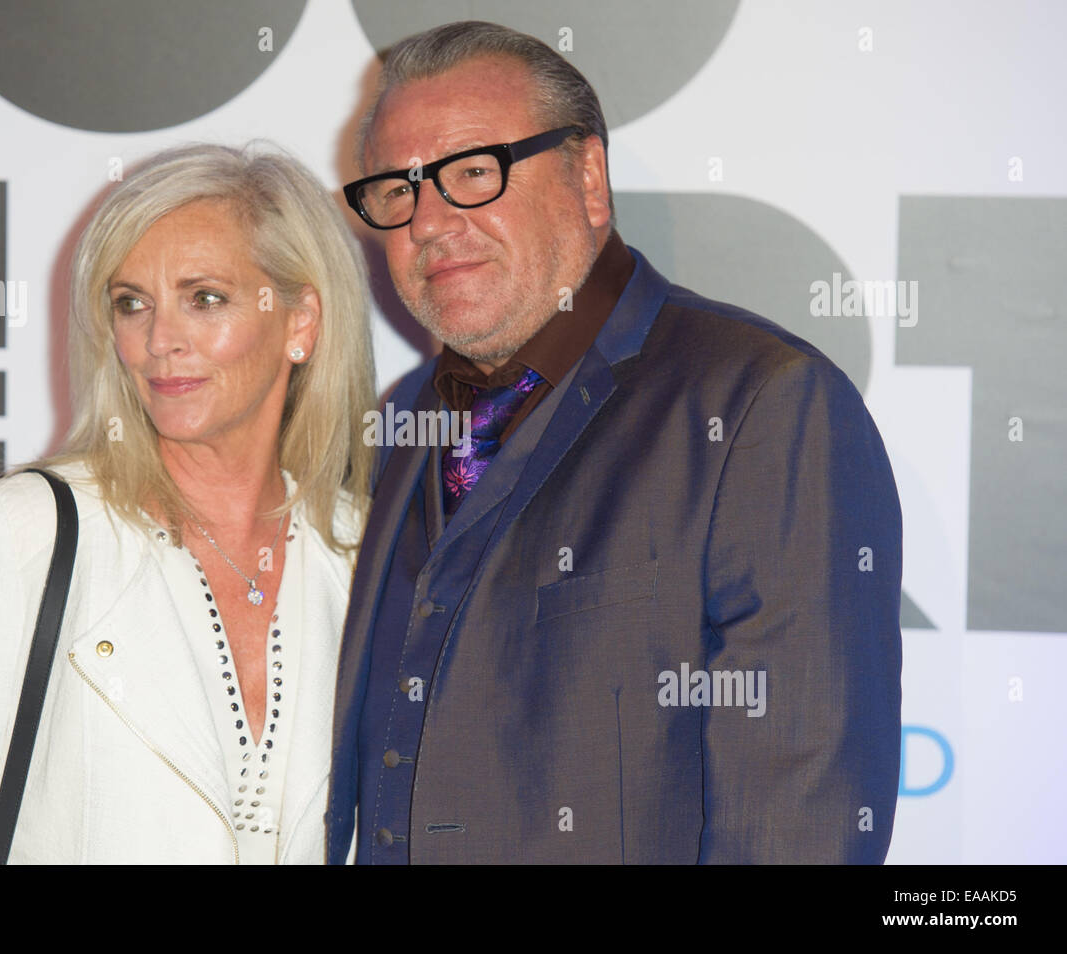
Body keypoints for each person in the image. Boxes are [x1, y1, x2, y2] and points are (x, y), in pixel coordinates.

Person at [328, 21, 903, 864]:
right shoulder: (404, 420)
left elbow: (798, 827)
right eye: (398, 190)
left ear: (589, 177)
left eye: (474, 173)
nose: (430, 222)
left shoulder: (763, 405)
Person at [0, 142, 375, 864]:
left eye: (204, 299)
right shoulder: (21, 532)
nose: (159, 342)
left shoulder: (366, 557)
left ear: (300, 322)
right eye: (132, 305)